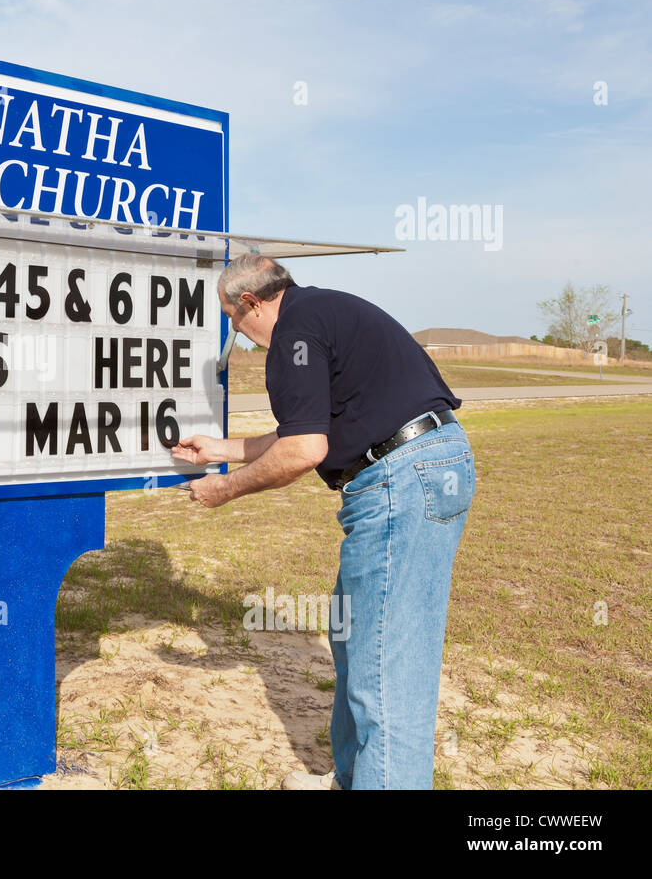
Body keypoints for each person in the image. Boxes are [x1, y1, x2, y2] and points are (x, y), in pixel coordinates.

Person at [171, 253, 476, 790]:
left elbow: (304, 450)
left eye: (233, 321)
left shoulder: (293, 333)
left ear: (250, 302)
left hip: (397, 481)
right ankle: (352, 777)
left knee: (386, 666)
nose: (238, 334)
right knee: (356, 635)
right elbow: (309, 429)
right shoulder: (321, 313)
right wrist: (221, 448)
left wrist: (223, 489)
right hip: (428, 460)